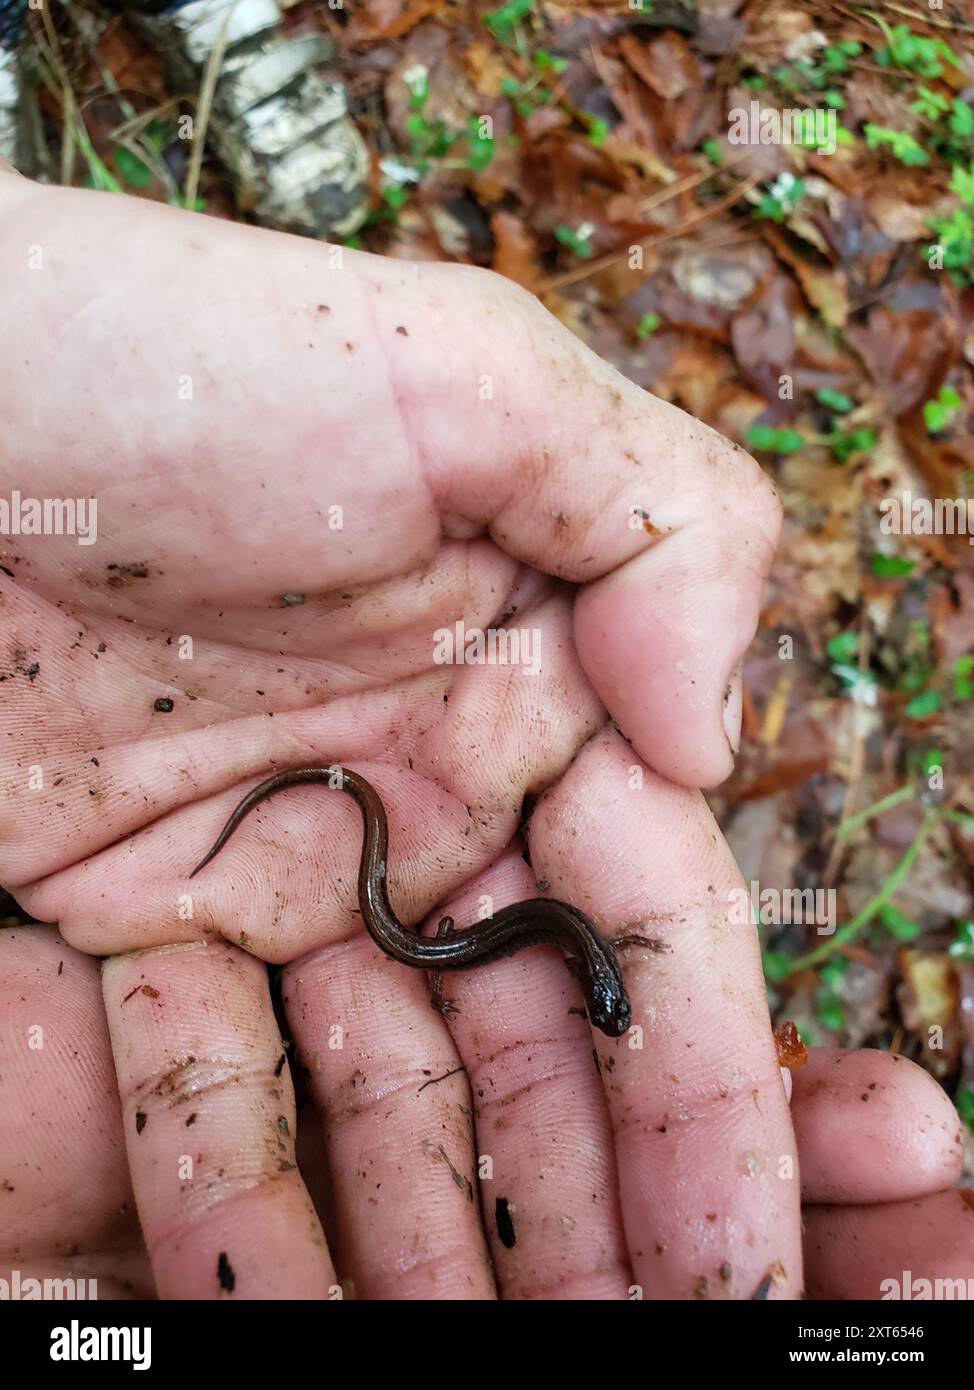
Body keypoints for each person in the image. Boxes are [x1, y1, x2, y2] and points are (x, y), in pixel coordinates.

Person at [0, 160, 967, 1298]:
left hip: (424, 930)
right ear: (595, 982)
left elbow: (569, 952)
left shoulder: (569, 949)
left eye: (604, 1003)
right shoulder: (569, 940)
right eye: (603, 997)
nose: (606, 1009)